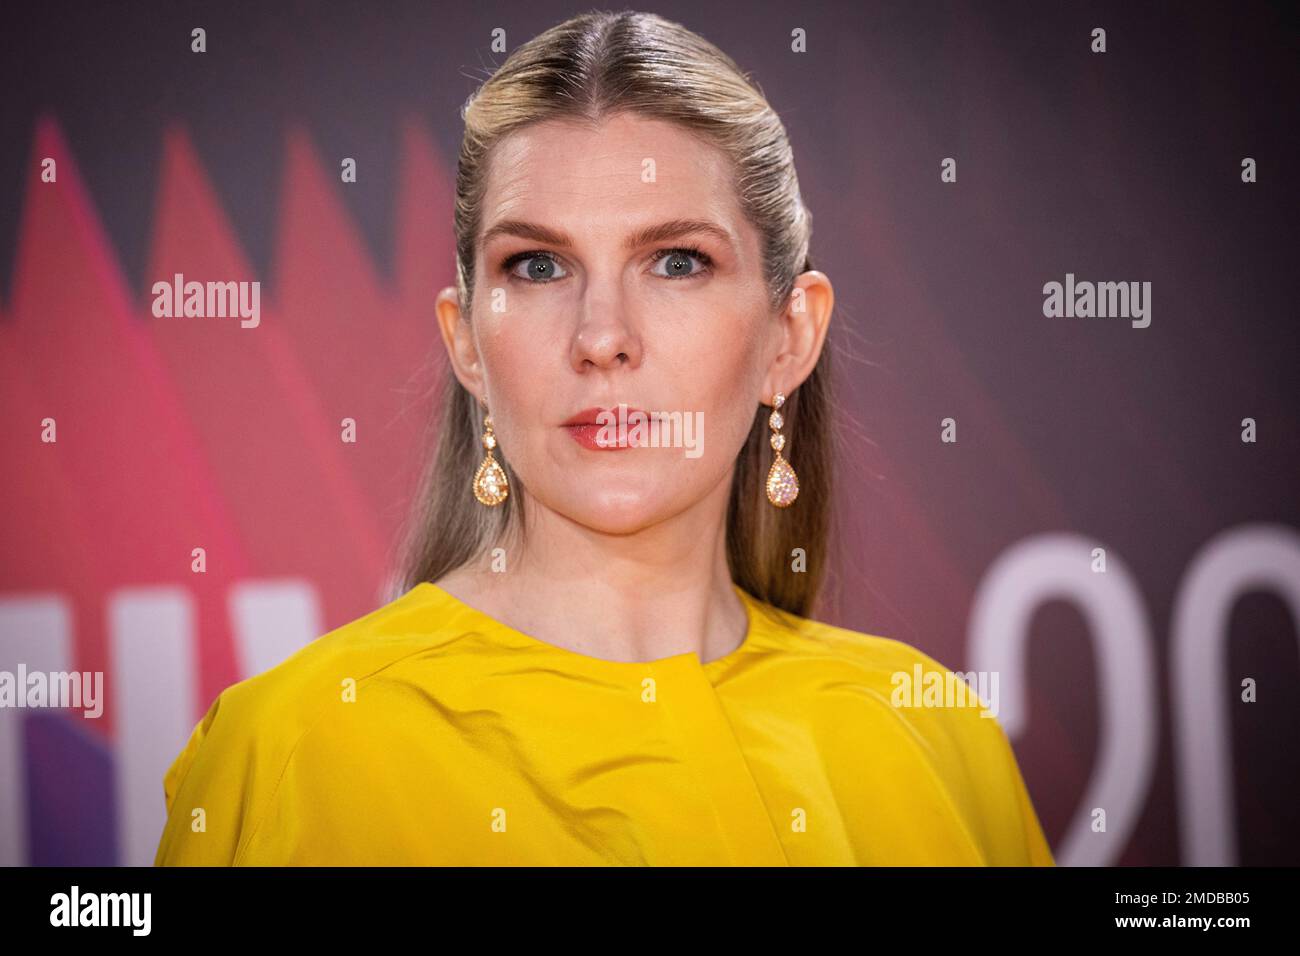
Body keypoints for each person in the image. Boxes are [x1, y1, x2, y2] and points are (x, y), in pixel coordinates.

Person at [154, 10, 1054, 867]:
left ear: (790, 336)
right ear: (468, 340)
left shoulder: (937, 736)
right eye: (537, 267)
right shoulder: (293, 753)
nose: (601, 335)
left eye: (677, 262)